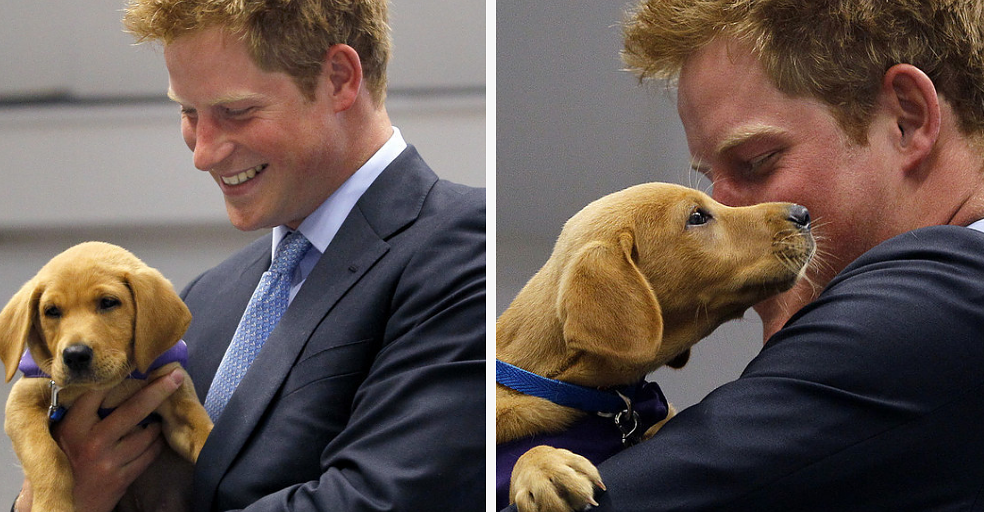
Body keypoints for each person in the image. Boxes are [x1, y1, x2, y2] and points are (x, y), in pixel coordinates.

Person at [500, 0, 984, 510]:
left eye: (758, 161)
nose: (730, 208)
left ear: (907, 118)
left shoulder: (929, 306)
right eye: (709, 186)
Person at [13, 0, 485, 510]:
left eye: (235, 111)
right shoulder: (205, 297)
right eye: (189, 112)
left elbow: (380, 497)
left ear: (340, 78)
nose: (202, 153)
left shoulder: (461, 245)